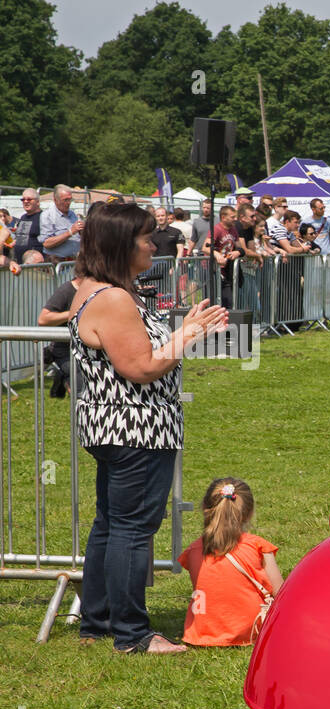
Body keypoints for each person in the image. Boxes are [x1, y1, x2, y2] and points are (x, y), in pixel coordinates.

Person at [67, 202, 227, 653]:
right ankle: (134, 634)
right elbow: (142, 366)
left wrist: (185, 328)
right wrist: (189, 334)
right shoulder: (114, 299)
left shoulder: (103, 290)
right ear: (121, 245)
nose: (152, 245)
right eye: (143, 238)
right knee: (133, 529)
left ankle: (97, 622)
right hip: (135, 427)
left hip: (117, 425)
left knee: (112, 525)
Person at [178, 477, 283, 646]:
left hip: (202, 634)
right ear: (249, 513)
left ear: (205, 508)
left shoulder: (193, 550)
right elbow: (281, 593)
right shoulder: (258, 546)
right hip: (251, 631)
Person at [38, 275, 80, 397]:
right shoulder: (66, 290)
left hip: (87, 348)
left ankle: (62, 376)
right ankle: (64, 377)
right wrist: (73, 313)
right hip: (64, 349)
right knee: (81, 390)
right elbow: (43, 319)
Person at [41, 185, 84, 261]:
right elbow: (46, 243)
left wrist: (83, 232)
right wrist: (70, 232)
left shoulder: (73, 215)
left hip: (74, 262)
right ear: (55, 200)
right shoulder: (47, 216)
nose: (68, 203)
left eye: (70, 200)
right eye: (65, 200)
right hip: (57, 262)